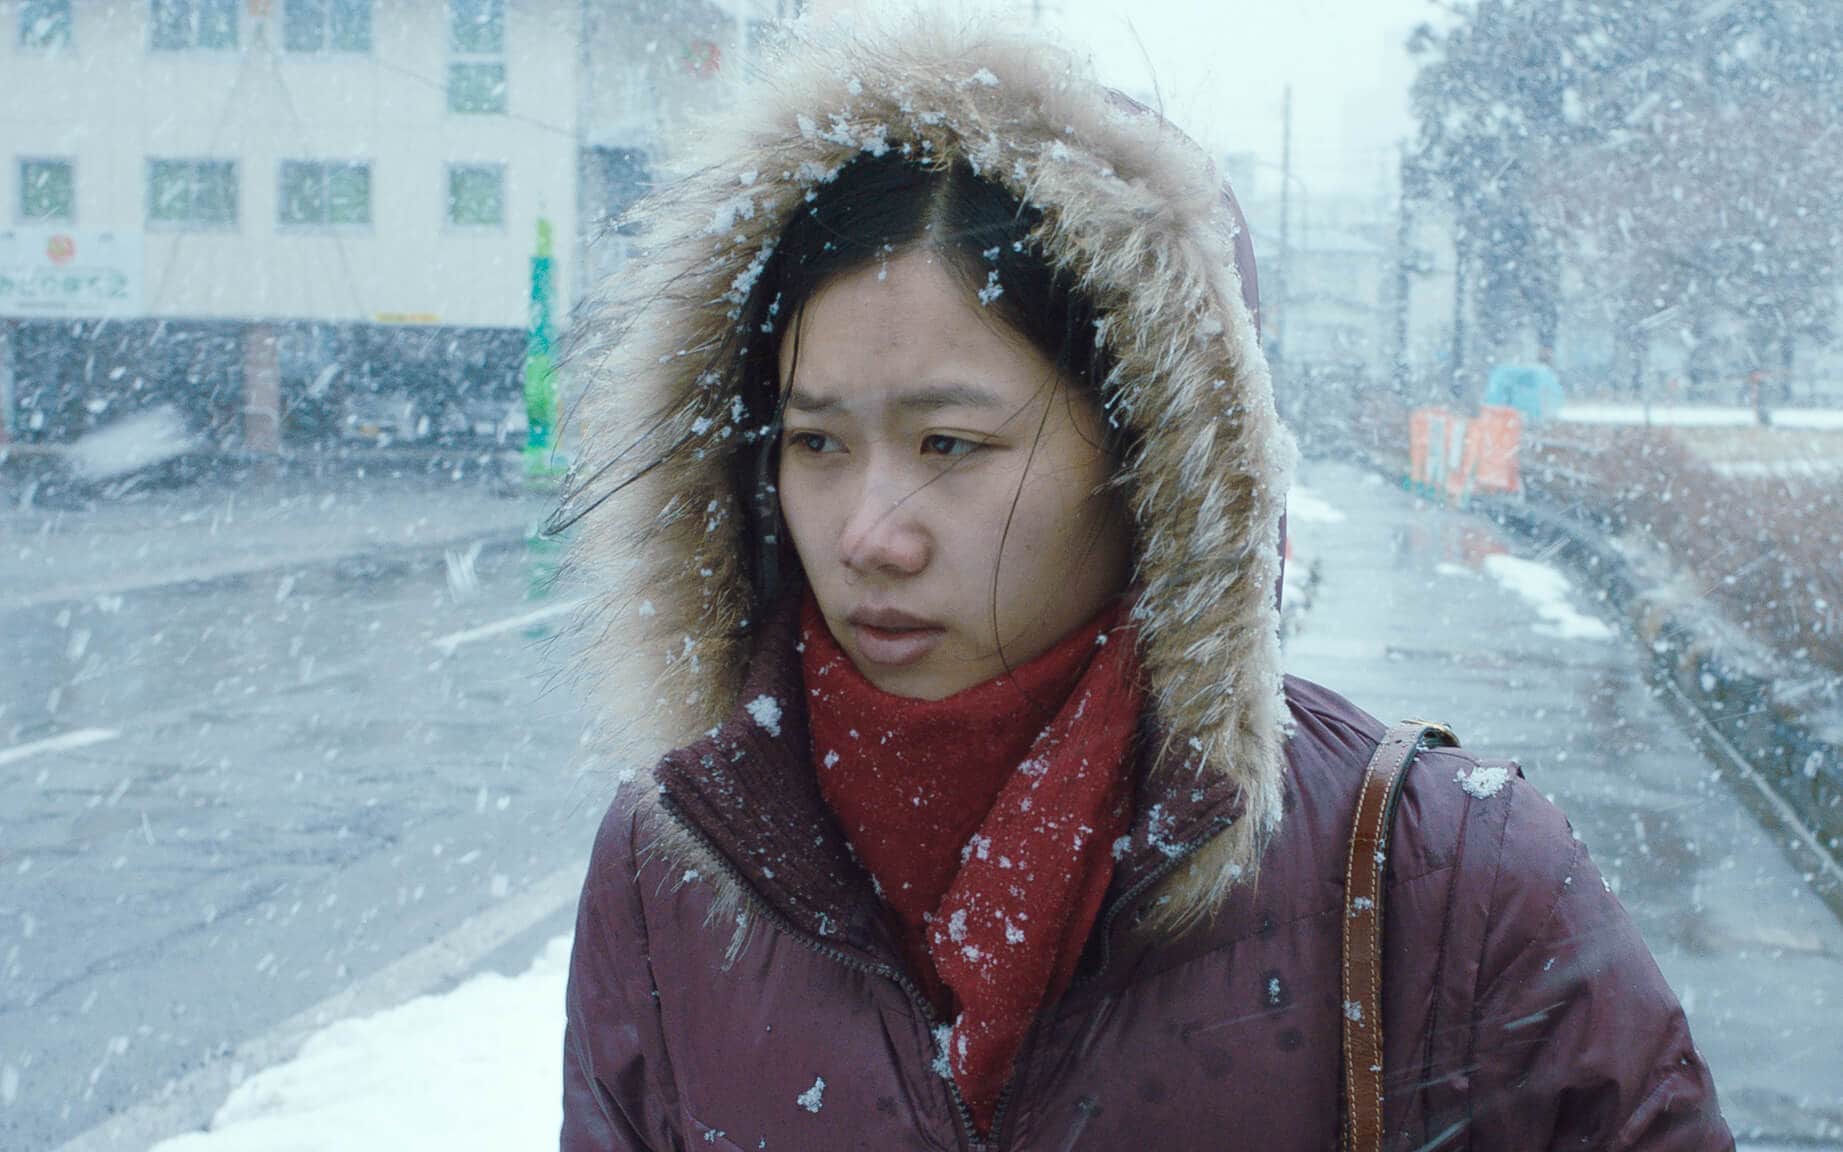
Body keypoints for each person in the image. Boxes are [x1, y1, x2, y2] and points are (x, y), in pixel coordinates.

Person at [557, 11, 1729, 1150]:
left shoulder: (1441, 877)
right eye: (816, 442)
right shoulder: (678, 867)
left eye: (949, 445)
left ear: (1144, 459)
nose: (868, 533)